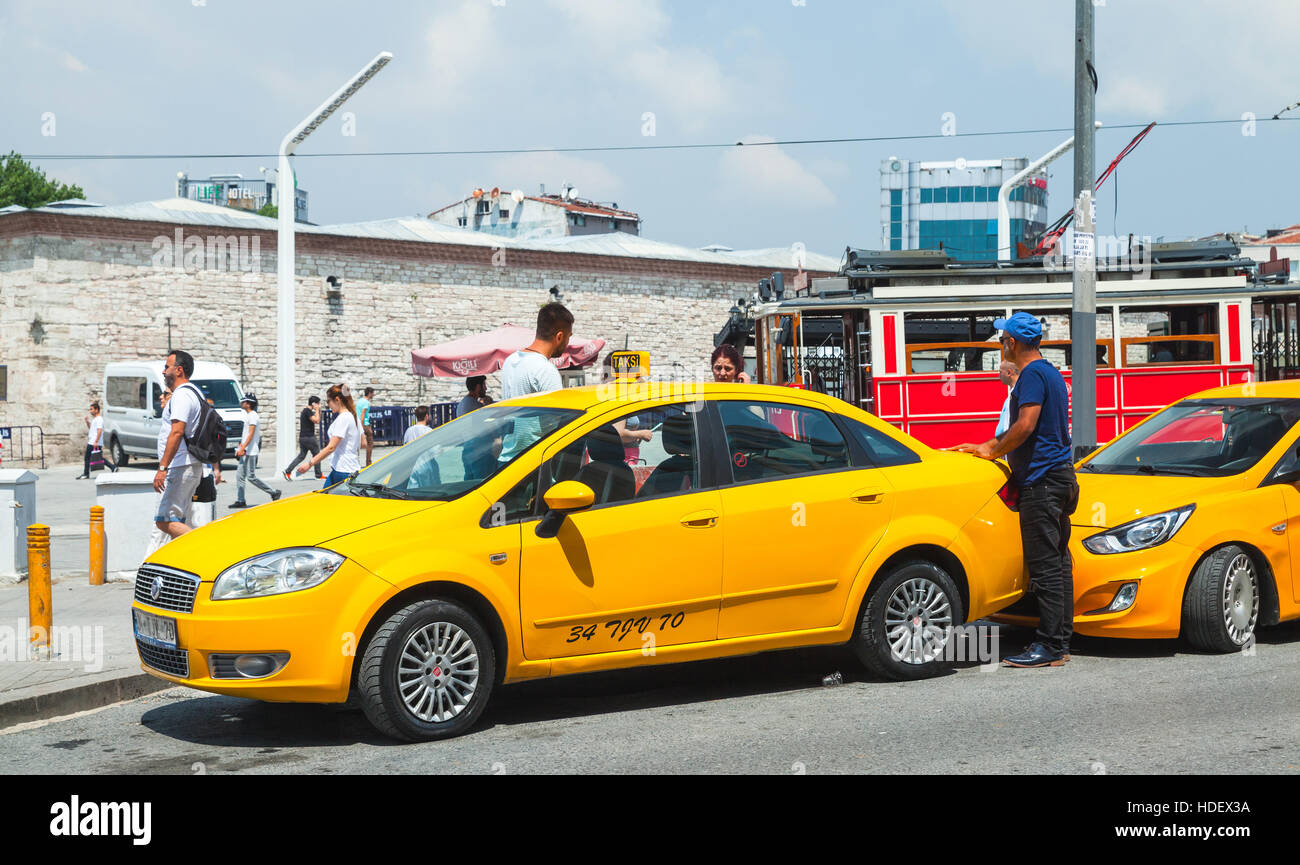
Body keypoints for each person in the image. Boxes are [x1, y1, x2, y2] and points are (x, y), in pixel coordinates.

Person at [948, 312, 1078, 668]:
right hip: (1061, 478)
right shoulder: (1050, 371)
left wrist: (990, 448)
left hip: (1043, 482)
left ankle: (1049, 646)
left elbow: (1025, 425)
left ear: (1014, 343)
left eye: (1003, 339)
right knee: (1059, 563)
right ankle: (1061, 643)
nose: (1000, 345)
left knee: (1046, 568)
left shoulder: (1033, 375)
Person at [497, 302, 573, 463]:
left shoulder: (511, 361)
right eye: (568, 337)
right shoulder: (544, 369)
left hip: (506, 459)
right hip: (532, 463)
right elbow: (558, 422)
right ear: (559, 336)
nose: (567, 344)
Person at [153, 350, 206, 540]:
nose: (163, 371)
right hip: (189, 464)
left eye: (167, 367)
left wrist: (162, 468)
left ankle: (208, 547)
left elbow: (176, 432)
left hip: (181, 465)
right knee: (182, 521)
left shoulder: (182, 396)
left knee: (165, 520)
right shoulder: (195, 392)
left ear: (179, 370)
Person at [296, 384, 361, 488]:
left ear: (337, 399)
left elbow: (331, 447)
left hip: (343, 470)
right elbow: (362, 443)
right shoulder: (352, 416)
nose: (328, 405)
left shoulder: (343, 418)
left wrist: (309, 464)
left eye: (328, 401)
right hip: (344, 468)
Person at [230, 395, 280, 509]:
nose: (241, 403)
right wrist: (241, 446)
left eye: (243, 401)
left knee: (251, 477)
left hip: (250, 452)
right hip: (246, 450)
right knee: (239, 476)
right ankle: (240, 500)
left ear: (248, 404)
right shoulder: (249, 416)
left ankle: (273, 492)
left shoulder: (253, 416)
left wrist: (243, 448)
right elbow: (246, 433)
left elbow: (251, 434)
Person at [283, 395, 323, 481]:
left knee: (301, 456)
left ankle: (287, 471)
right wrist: (317, 410)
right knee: (317, 455)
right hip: (309, 437)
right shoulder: (307, 411)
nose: (319, 405)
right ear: (314, 403)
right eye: (318, 403)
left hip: (303, 437)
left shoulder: (306, 411)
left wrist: (317, 410)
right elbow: (317, 421)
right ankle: (318, 474)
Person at [77, 400, 117, 478]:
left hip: (94, 442)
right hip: (92, 441)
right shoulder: (95, 419)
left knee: (88, 458)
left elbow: (99, 431)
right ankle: (113, 467)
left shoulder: (99, 419)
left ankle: (86, 474)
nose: (90, 411)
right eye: (90, 409)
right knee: (98, 458)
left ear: (96, 410)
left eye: (92, 409)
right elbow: (92, 429)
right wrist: (87, 422)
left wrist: (96, 441)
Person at [994, 360, 1020, 437]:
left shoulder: (1017, 394)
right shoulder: (1011, 394)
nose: (998, 375)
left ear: (1009, 373)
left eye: (1000, 372)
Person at [356, 386, 375, 467]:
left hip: (358, 423)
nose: (373, 395)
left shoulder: (359, 401)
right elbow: (363, 414)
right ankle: (368, 462)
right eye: (373, 393)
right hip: (365, 424)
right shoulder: (366, 402)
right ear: (370, 393)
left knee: (357, 444)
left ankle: (356, 461)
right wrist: (362, 425)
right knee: (370, 443)